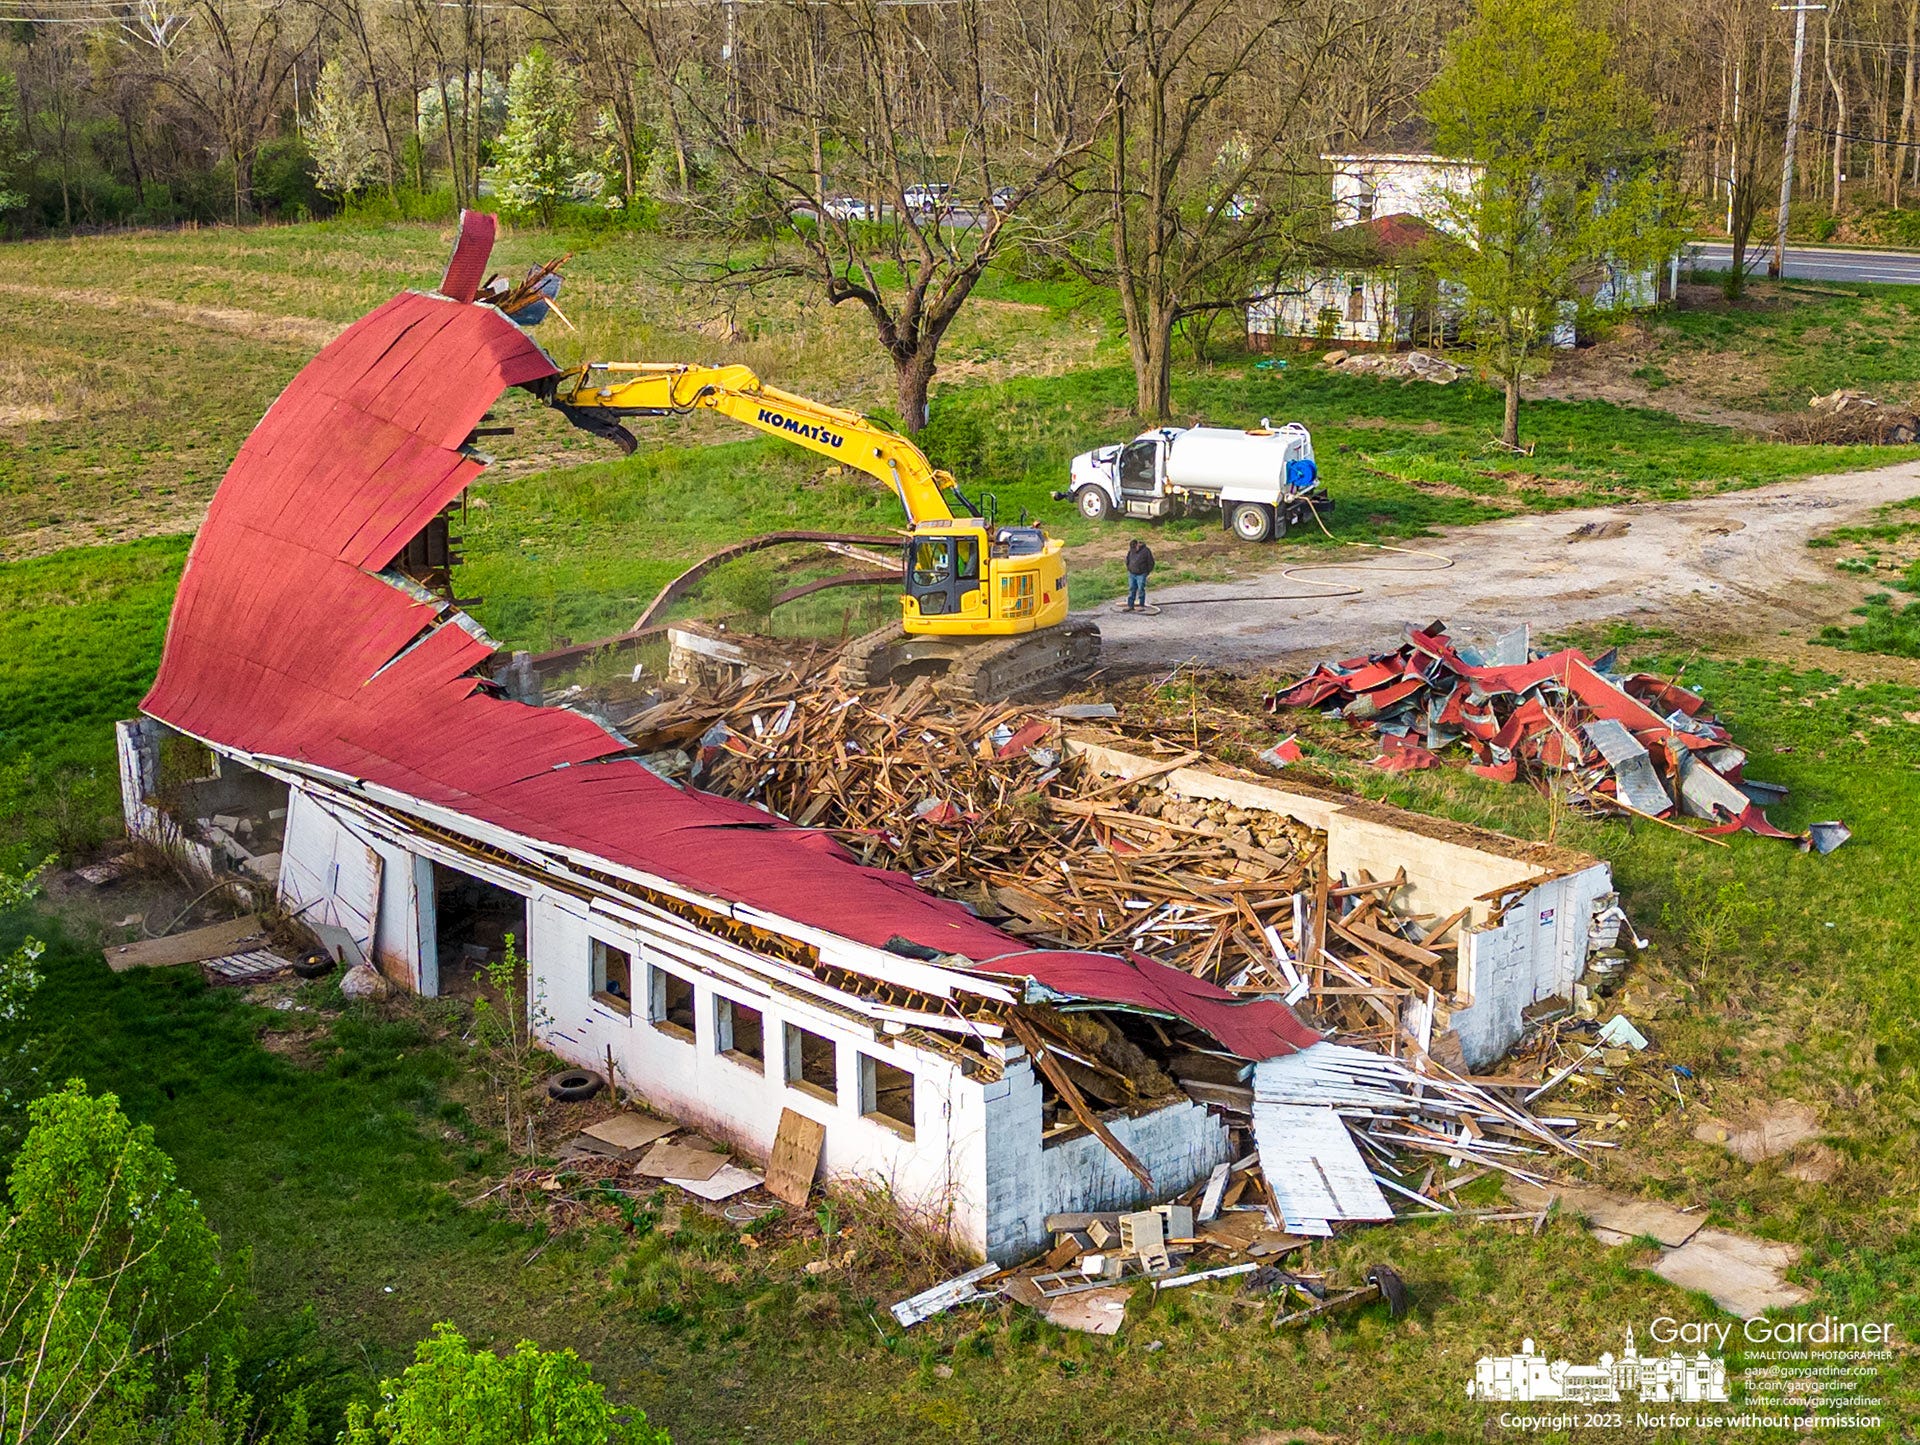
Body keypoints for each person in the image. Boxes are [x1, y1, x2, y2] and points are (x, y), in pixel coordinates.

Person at [1125, 537, 1155, 611]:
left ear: (1138, 545)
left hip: (1141, 574)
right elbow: (1128, 559)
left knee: (1141, 589)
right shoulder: (1131, 550)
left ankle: (1141, 605)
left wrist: (1146, 572)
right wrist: (1129, 568)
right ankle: (1130, 605)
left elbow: (1151, 562)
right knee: (1131, 589)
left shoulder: (1146, 551)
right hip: (1132, 573)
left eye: (1135, 548)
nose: (1133, 550)